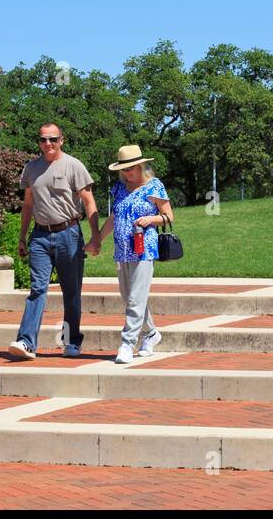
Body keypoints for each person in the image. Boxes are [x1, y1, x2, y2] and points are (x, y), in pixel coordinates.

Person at [9, 123, 101, 361]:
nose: (47, 144)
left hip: (68, 234)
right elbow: (28, 205)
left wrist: (95, 237)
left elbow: (89, 203)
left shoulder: (73, 165)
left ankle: (71, 342)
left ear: (62, 140)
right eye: (42, 140)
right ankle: (26, 342)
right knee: (37, 289)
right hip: (39, 236)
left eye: (52, 139)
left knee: (71, 291)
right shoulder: (31, 168)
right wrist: (22, 237)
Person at [91, 145, 174, 364]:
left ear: (140, 167)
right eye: (123, 169)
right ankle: (151, 333)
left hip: (143, 248)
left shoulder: (154, 187)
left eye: (131, 168)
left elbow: (168, 216)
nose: (127, 173)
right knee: (129, 297)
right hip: (122, 250)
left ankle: (127, 344)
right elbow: (113, 217)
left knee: (136, 298)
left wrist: (150, 220)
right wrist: (98, 238)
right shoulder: (119, 188)